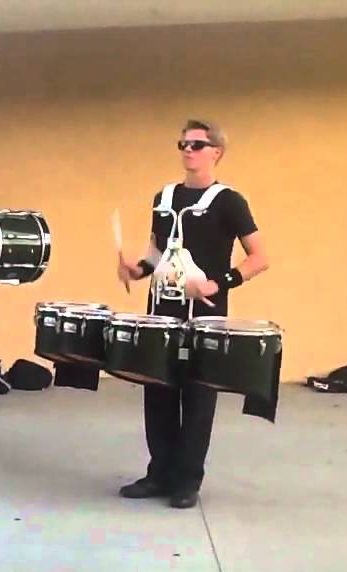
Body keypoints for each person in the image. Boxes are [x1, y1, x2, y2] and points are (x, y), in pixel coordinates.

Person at [115, 119, 270, 509]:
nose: (188, 150)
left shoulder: (229, 201)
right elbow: (156, 250)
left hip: (205, 313)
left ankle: (187, 481)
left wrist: (220, 283)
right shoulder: (164, 197)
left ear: (216, 152)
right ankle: (159, 473)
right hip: (162, 309)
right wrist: (138, 269)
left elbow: (260, 258)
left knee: (198, 395)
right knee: (159, 389)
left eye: (197, 145)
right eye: (183, 143)